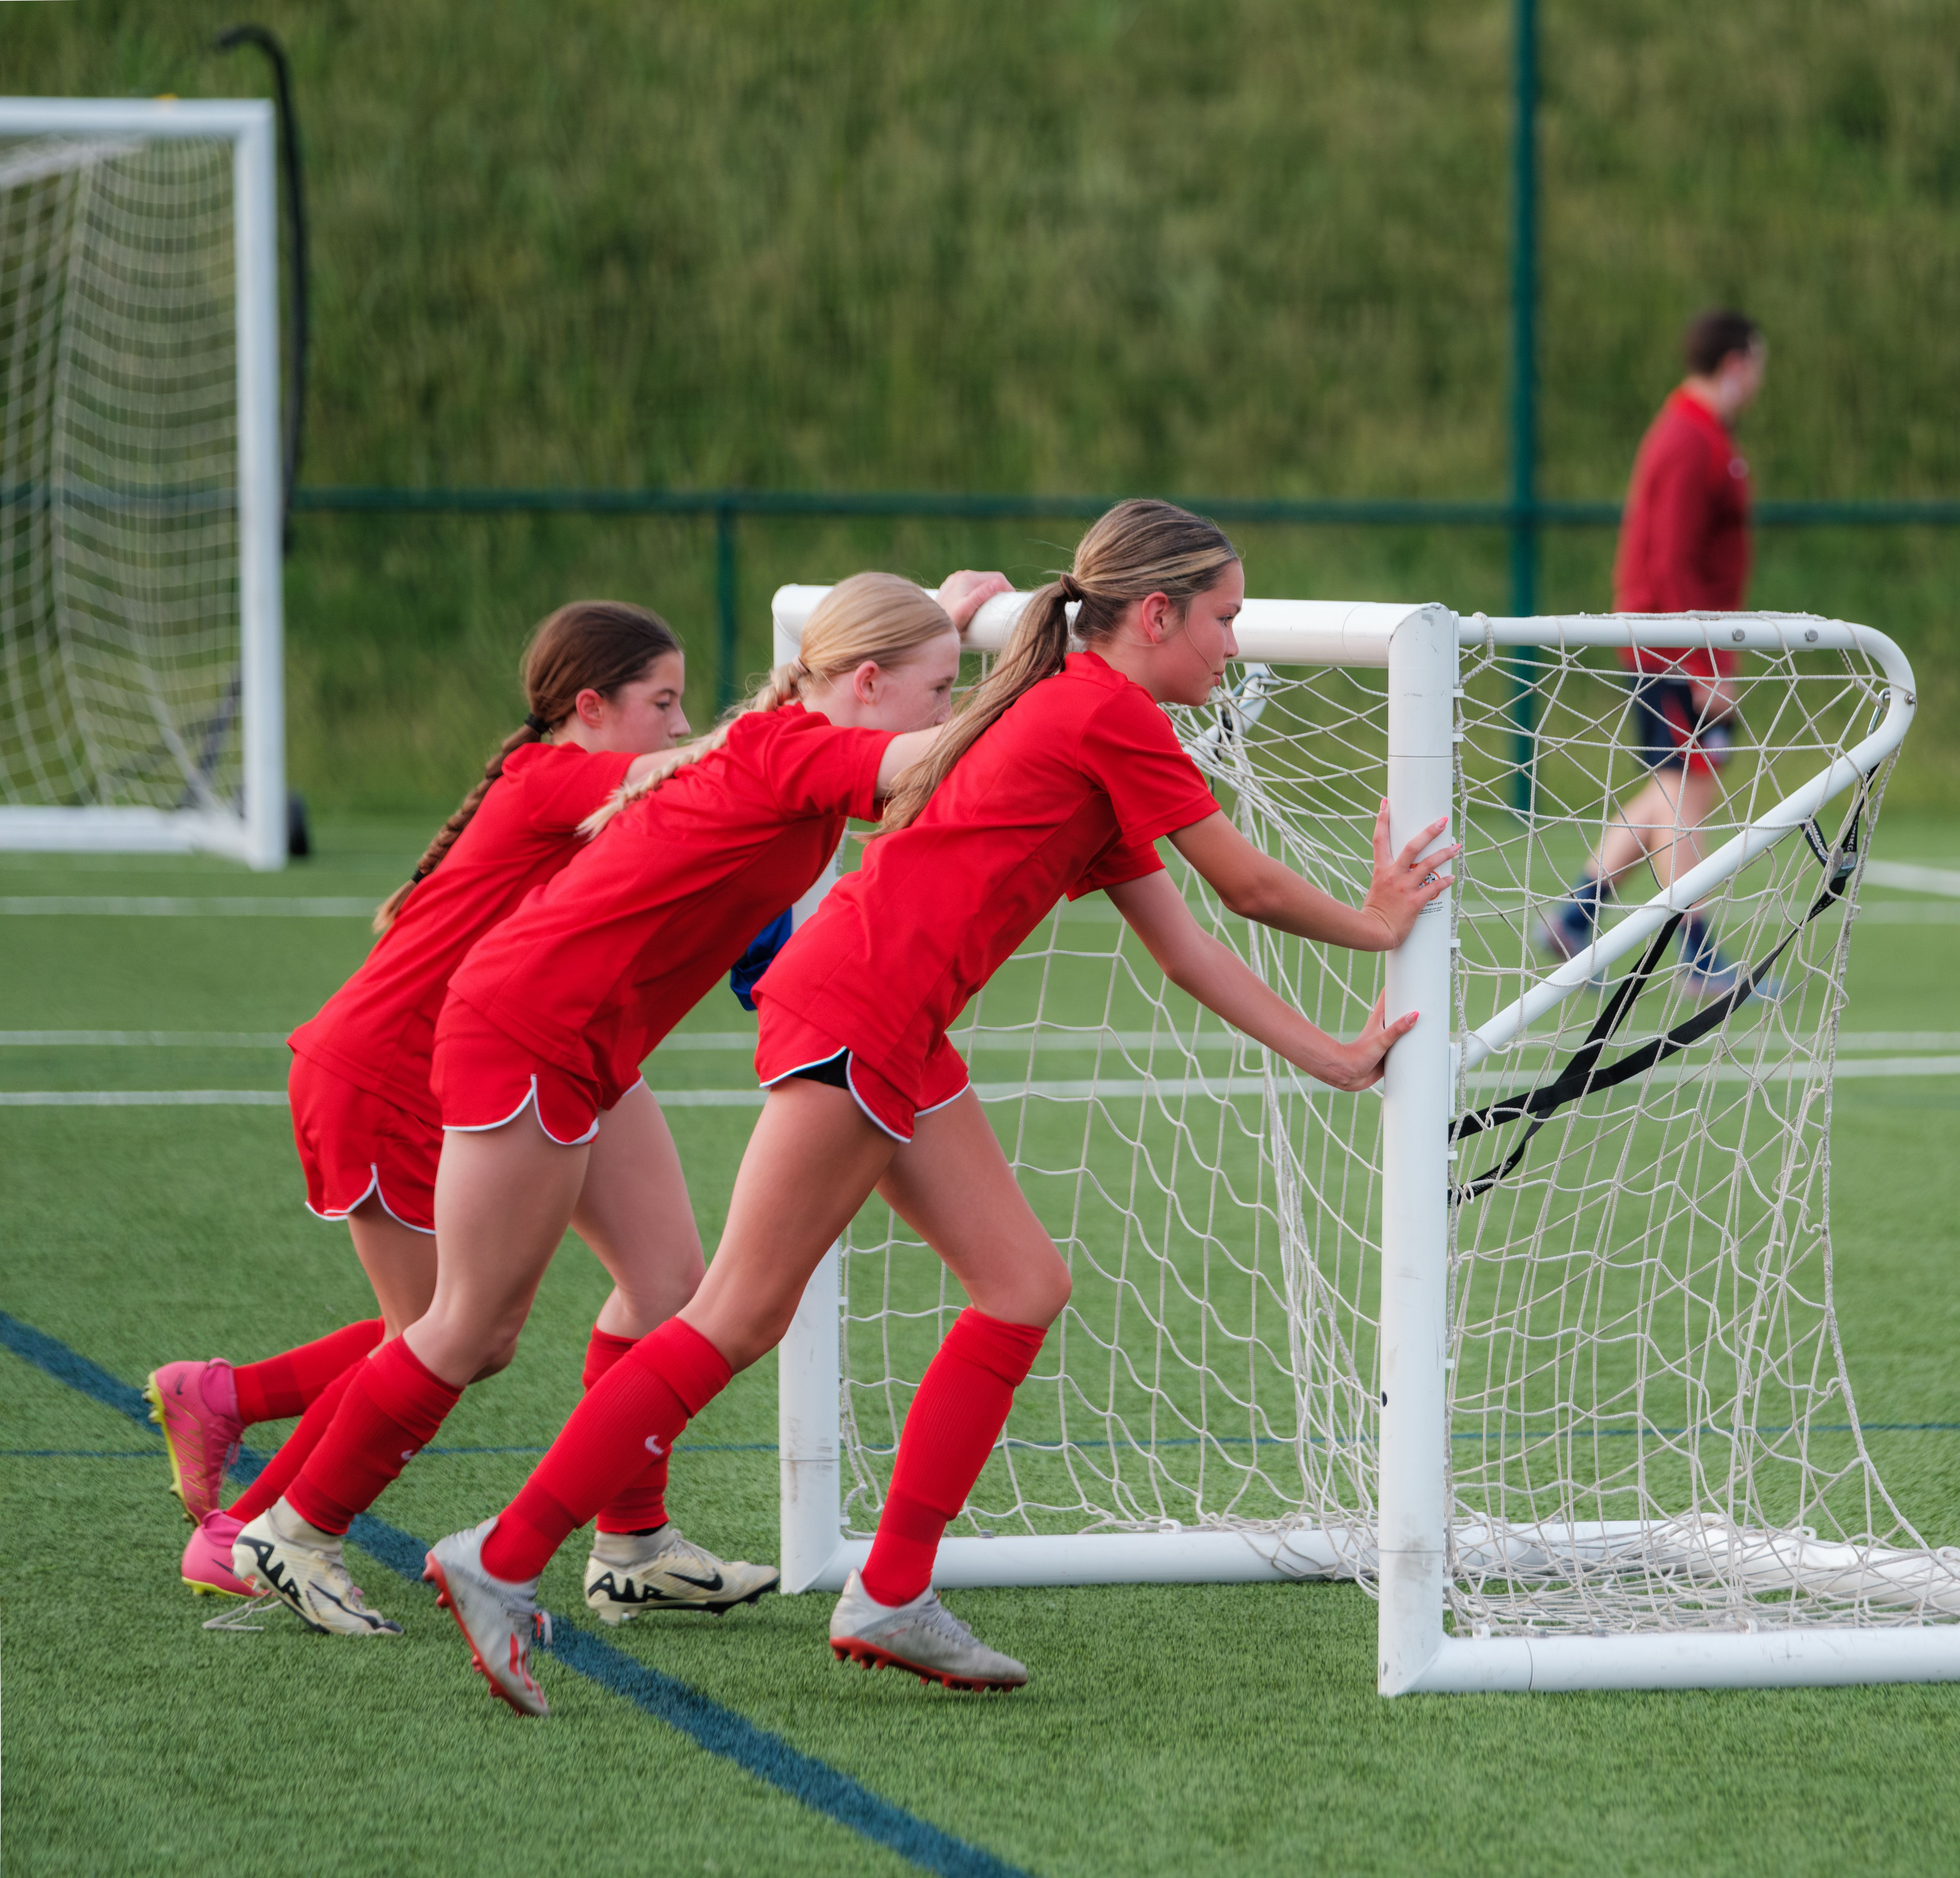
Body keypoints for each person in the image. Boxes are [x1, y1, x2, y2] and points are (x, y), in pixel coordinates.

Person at [417, 499, 1454, 1716]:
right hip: (859, 1008)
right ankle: (501, 1554)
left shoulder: (1080, 719)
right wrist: (1377, 921)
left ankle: (894, 1588)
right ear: (1156, 615)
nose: (1236, 644)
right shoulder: (1104, 711)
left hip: (900, 1026)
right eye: (1223, 619)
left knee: (1021, 1285)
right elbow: (1253, 887)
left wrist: (1329, 1054)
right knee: (737, 1315)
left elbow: (1186, 950)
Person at [229, 568, 1011, 1640]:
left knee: (665, 1289)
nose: (947, 702)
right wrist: (1054, 670)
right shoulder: (791, 746)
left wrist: (949, 625)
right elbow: (937, 755)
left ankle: (633, 1547)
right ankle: (294, 1527)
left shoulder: (792, 733)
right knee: (471, 1328)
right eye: (939, 685)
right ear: (868, 682)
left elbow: (895, 715)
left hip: (596, 1042)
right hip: (529, 1028)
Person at [149, 602, 743, 1628]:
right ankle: (246, 1511)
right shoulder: (557, 775)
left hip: (537, 1051)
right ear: (589, 710)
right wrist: (807, 709)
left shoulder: (586, 784)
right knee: (443, 1335)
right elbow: (693, 778)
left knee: (661, 1286)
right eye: (663, 702)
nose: (680, 724)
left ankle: (633, 1543)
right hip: (389, 1071)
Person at [1536, 306, 1769, 997]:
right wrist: (1705, 666)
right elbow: (1670, 566)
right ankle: (1697, 955)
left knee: (1672, 790)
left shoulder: (1701, 434)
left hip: (1672, 642)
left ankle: (1576, 919)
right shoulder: (1689, 439)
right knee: (1684, 795)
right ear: (1736, 363)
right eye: (1759, 363)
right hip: (1671, 646)